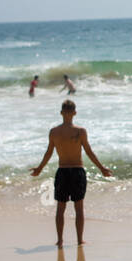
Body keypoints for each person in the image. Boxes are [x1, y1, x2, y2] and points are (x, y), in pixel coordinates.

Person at [30, 100, 112, 246]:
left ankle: (60, 240)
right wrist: (102, 168)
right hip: (77, 171)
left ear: (61, 113)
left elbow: (48, 153)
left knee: (60, 208)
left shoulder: (54, 132)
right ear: (74, 113)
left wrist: (39, 169)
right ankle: (80, 240)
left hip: (62, 172)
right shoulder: (80, 131)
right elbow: (89, 152)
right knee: (79, 208)